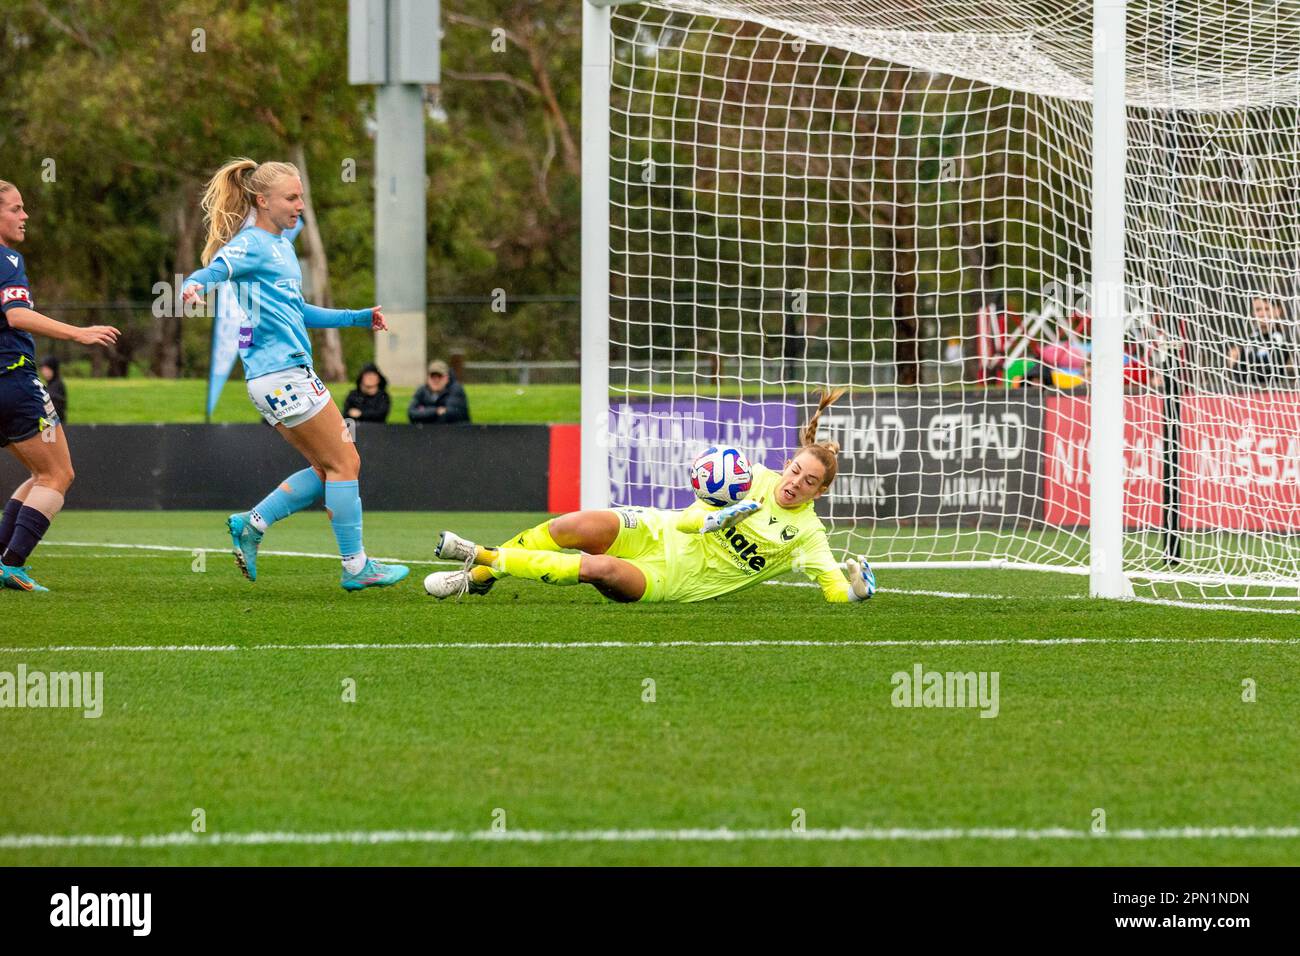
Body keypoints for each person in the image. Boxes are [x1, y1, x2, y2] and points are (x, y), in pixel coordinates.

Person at [181, 158, 408, 591]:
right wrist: (194, 285)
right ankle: (356, 565)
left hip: (273, 379)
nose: (300, 204)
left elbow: (297, 311)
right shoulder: (252, 243)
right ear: (262, 201)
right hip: (284, 374)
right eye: (291, 197)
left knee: (328, 470)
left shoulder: (282, 246)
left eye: (301, 196)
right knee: (346, 462)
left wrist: (357, 318)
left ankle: (254, 522)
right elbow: (218, 267)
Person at [423, 389, 877, 604]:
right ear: (788, 463)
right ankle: (482, 572)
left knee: (599, 568)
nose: (795, 481)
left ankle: (481, 557)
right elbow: (684, 522)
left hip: (674, 579)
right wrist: (715, 519)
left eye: (808, 481)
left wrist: (854, 592)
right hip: (659, 530)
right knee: (572, 526)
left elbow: (833, 589)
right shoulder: (749, 477)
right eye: (795, 469)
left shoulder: (810, 535)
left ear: (821, 491)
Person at [0, 180, 119, 592]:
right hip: (14, 381)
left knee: (40, 471)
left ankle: (2, 559)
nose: (24, 216)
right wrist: (79, 333)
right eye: (16, 208)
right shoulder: (7, 259)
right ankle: (12, 565)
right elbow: (17, 315)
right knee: (58, 474)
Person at [1227, 296, 1296, 387]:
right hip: (1248, 392)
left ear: (1278, 311)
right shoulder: (1251, 339)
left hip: (1275, 393)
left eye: (1267, 309)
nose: (1262, 314)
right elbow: (1238, 371)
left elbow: (1271, 373)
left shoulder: (1284, 339)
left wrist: (1242, 371)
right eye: (1258, 310)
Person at [408, 360, 470, 424]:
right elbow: (412, 414)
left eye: (439, 376)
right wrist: (436, 411)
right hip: (429, 432)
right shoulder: (422, 390)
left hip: (457, 432)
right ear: (428, 378)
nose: (436, 380)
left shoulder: (456, 390)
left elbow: (449, 415)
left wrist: (424, 413)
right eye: (432, 376)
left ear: (447, 377)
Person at [39, 356, 67, 422]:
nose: (45, 372)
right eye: (43, 369)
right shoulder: (50, 385)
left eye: (47, 369)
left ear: (53, 369)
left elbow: (55, 409)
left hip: (55, 425)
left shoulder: (57, 386)